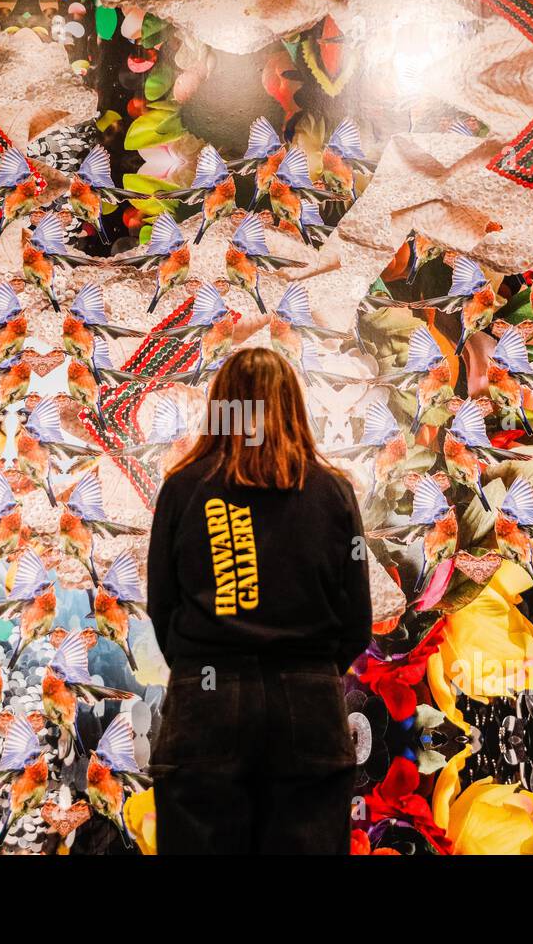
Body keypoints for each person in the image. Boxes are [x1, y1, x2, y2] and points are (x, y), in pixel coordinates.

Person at [146, 347, 372, 854]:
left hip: (206, 699)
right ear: (293, 407)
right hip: (309, 704)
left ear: (221, 407)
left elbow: (162, 608)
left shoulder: (183, 489)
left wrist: (206, 660)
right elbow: (357, 623)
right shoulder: (334, 493)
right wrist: (307, 669)